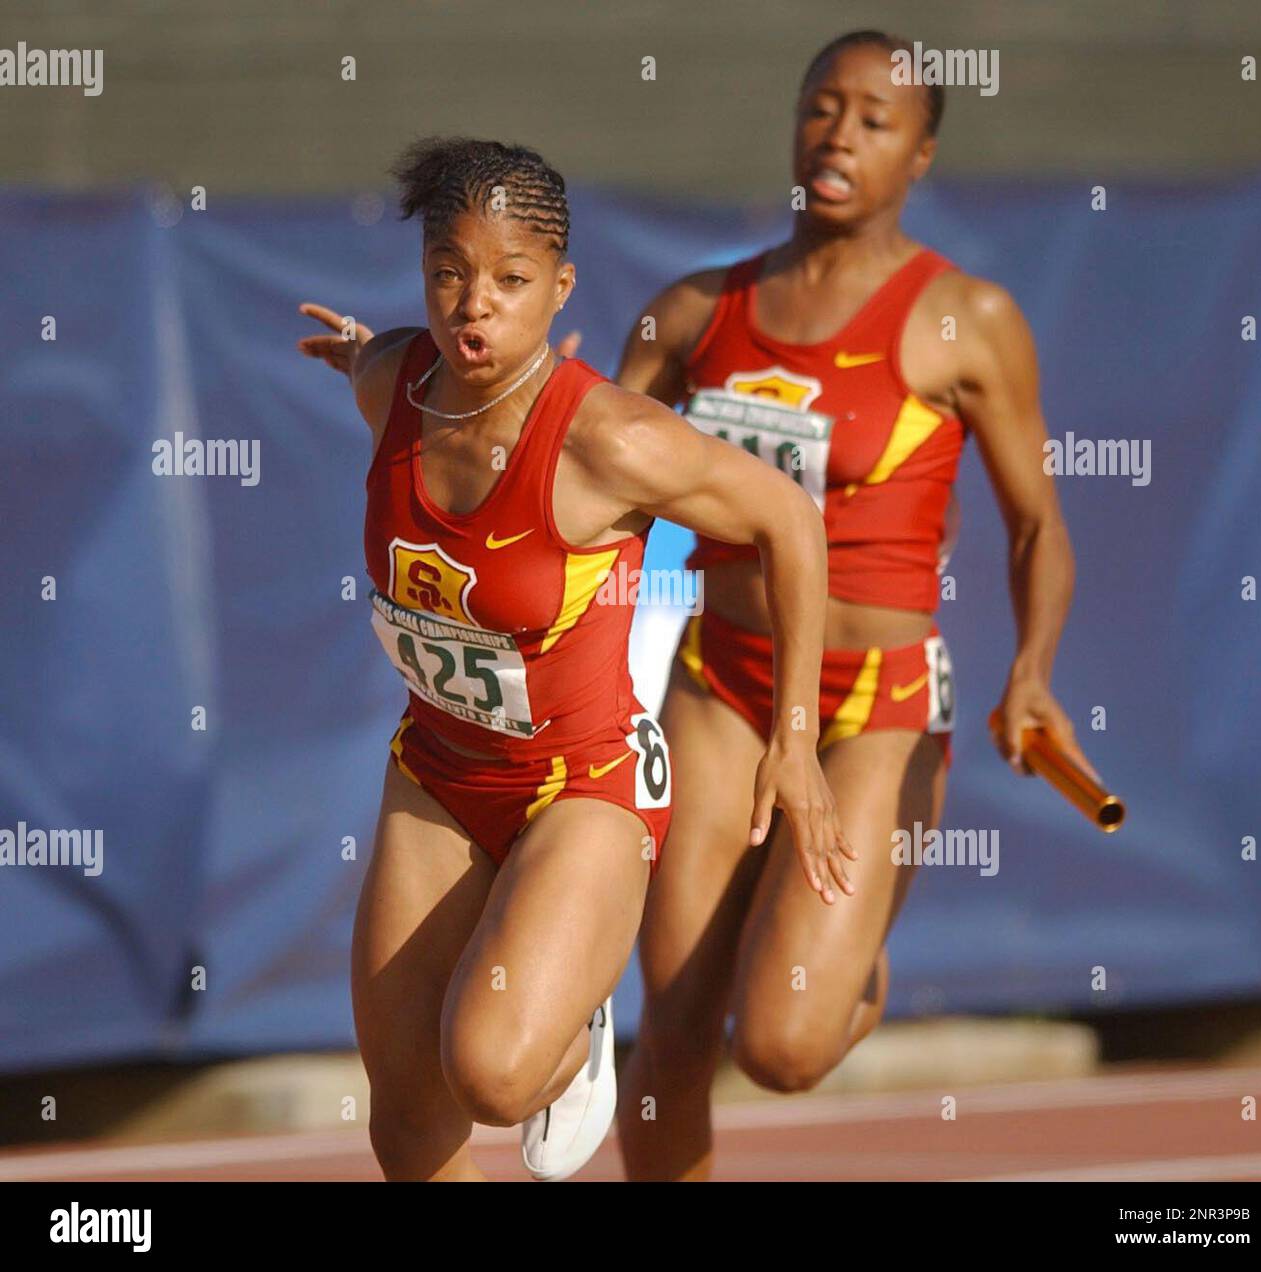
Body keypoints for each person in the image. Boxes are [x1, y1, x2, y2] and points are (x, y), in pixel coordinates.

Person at [296, 136, 848, 1181]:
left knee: (494, 1075)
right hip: (438, 775)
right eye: (448, 275)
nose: (473, 307)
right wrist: (363, 346)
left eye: (509, 282)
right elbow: (382, 353)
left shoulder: (609, 439)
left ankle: (573, 1021)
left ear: (560, 288)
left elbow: (788, 521)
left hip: (581, 783)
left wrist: (796, 739)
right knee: (407, 1127)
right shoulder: (390, 385)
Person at [598, 30, 1099, 1181]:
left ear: (920, 154)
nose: (839, 134)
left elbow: (1038, 526)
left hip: (874, 705)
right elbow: (592, 485)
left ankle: (848, 962)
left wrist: (1031, 670)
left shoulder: (962, 321)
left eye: (875, 119)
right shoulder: (692, 312)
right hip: (723, 684)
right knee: (671, 1030)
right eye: (823, 107)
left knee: (777, 1046)